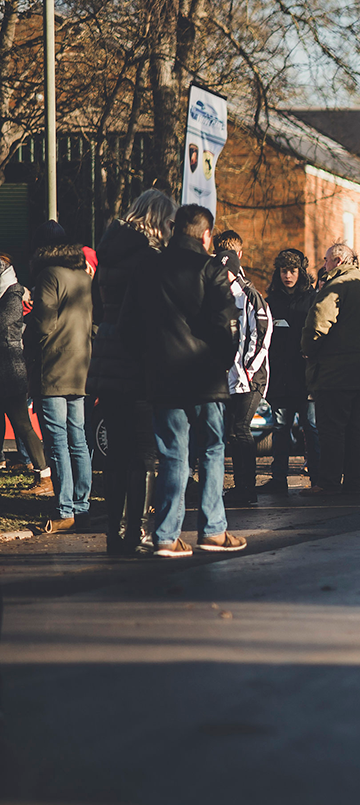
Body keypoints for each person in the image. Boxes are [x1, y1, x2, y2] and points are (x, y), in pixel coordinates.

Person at [119, 204, 247, 557]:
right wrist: (221, 364)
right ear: (206, 235)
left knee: (172, 454)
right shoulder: (211, 269)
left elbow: (127, 327)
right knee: (212, 451)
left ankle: (165, 536)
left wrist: (149, 362)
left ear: (174, 229)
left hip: (163, 377)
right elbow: (226, 325)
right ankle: (213, 530)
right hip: (206, 378)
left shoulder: (147, 268)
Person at [89, 189, 176, 552]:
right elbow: (155, 315)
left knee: (116, 452)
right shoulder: (150, 259)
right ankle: (134, 529)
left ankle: (113, 531)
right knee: (142, 452)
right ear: (158, 221)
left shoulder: (108, 253)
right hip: (138, 361)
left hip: (107, 357)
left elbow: (97, 308)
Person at [24, 221, 94, 535]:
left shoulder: (48, 276)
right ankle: (82, 506)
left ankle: (65, 509)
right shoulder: (82, 276)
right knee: (78, 439)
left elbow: (43, 324)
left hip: (53, 367)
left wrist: (27, 335)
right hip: (80, 367)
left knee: (57, 442)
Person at [302, 243, 360, 496]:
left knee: (332, 429)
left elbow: (318, 323)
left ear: (338, 260)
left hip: (335, 371)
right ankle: (353, 482)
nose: (324, 265)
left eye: (326, 260)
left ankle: (328, 482)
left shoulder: (337, 285)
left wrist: (308, 349)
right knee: (357, 429)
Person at [214, 231, 273, 506]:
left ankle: (247, 489)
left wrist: (248, 369)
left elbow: (262, 334)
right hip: (229, 377)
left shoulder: (250, 295)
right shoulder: (217, 294)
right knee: (232, 432)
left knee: (241, 429)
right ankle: (240, 487)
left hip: (250, 378)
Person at [262, 249, 317, 493]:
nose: (288, 276)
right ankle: (278, 479)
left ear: (300, 272)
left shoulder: (312, 299)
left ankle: (318, 478)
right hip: (281, 376)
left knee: (311, 428)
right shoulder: (272, 301)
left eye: (293, 271)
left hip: (306, 376)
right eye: (284, 271)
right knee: (280, 429)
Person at [0, 256, 48, 496]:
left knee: (22, 424)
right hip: (5, 368)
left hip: (10, 371)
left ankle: (44, 474)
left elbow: (3, 325)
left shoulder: (12, 296)